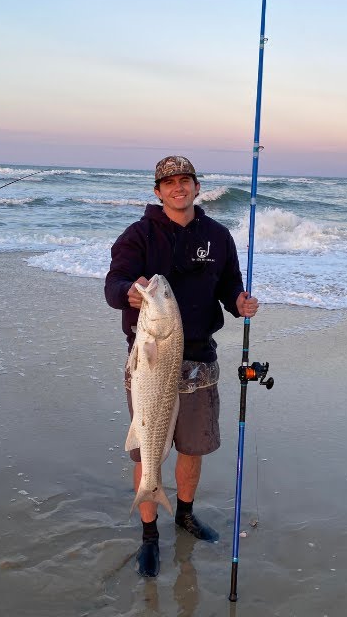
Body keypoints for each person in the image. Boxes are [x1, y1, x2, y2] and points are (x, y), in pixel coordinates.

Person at [104, 155, 260, 578]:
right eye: (168, 182)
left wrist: (240, 302)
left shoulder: (218, 236)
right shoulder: (138, 236)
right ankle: (149, 533)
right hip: (150, 360)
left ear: (196, 187)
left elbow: (230, 286)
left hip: (199, 360)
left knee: (193, 447)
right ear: (157, 191)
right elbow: (113, 283)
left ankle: (185, 514)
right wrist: (130, 293)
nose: (178, 188)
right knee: (146, 444)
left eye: (185, 180)